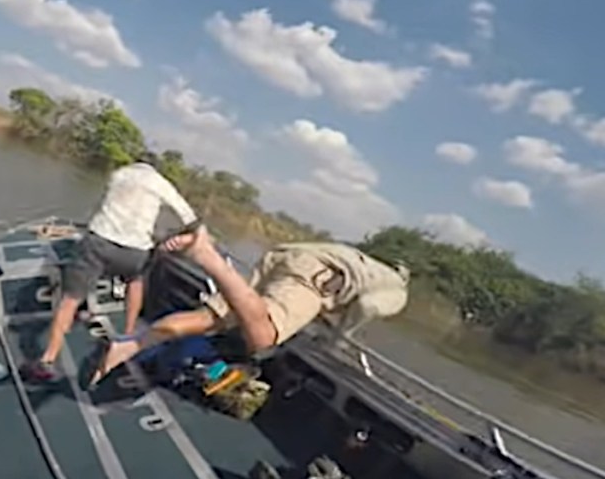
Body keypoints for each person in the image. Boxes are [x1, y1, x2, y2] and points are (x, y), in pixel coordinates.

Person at [94, 223, 410, 382]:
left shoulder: (368, 264)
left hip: (286, 257)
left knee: (211, 317)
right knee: (263, 337)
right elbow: (366, 307)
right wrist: (340, 339)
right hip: (314, 276)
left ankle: (130, 345)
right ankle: (207, 255)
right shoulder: (398, 291)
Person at [22, 159, 198, 381]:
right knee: (136, 280)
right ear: (154, 169)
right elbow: (190, 218)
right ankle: (128, 336)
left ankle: (48, 359)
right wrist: (185, 238)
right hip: (134, 252)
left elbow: (102, 206)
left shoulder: (119, 174)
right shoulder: (160, 183)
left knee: (70, 300)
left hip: (99, 242)